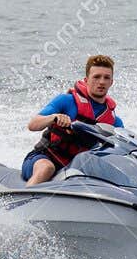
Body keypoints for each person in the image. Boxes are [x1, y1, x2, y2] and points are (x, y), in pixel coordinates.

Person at [22, 54, 124, 185]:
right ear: (86, 80)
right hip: (43, 158)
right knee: (47, 168)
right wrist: (54, 117)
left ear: (111, 82)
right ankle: (28, 201)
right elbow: (33, 125)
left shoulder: (114, 121)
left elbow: (124, 147)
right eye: (96, 77)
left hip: (75, 169)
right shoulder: (66, 101)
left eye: (106, 78)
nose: (102, 82)